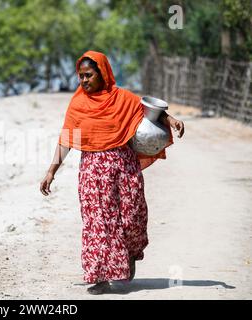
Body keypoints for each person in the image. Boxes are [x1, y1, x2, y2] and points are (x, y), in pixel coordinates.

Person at [39, 51, 185, 295]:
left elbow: (149, 110)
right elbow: (67, 139)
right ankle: (102, 276)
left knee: (130, 217)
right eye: (81, 76)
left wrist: (172, 121)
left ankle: (127, 257)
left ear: (103, 73)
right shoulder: (78, 104)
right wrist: (51, 171)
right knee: (99, 223)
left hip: (124, 168)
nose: (84, 81)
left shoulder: (123, 99)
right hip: (93, 173)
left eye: (89, 75)